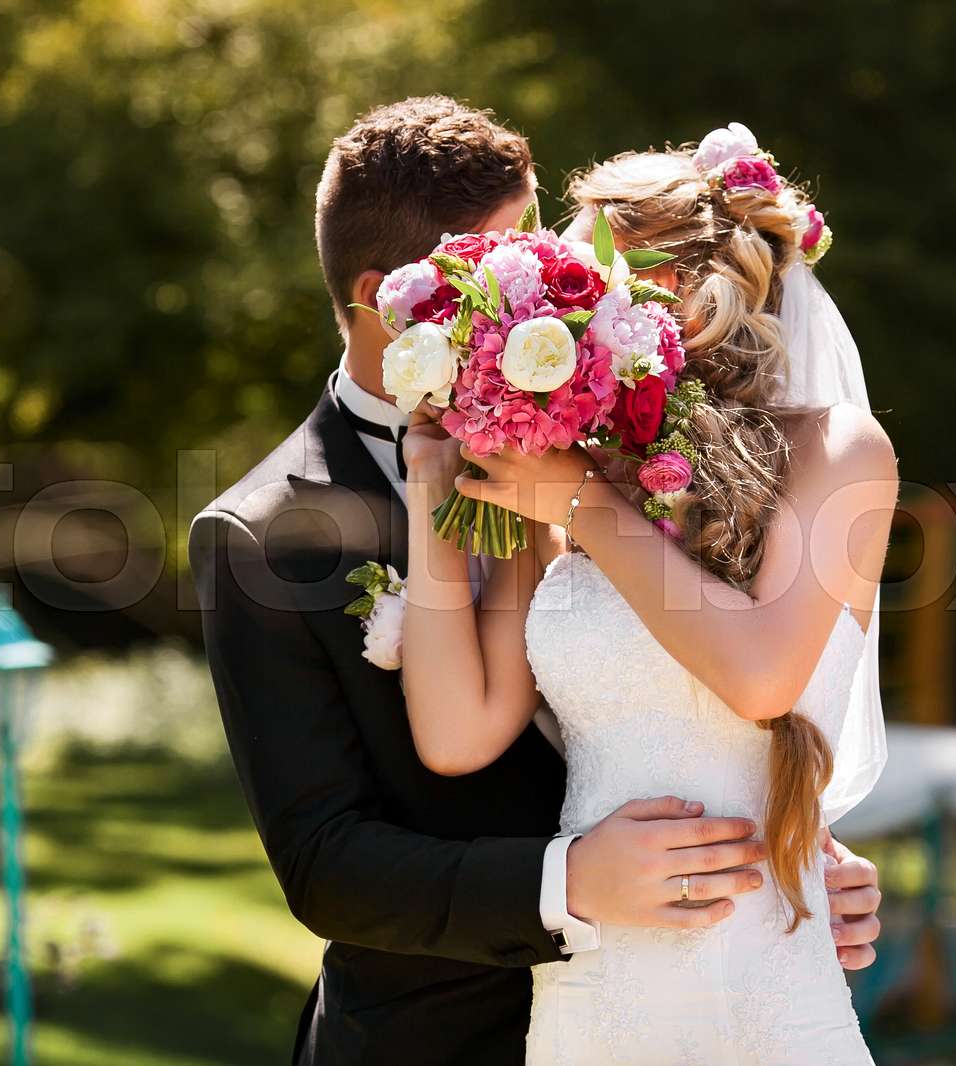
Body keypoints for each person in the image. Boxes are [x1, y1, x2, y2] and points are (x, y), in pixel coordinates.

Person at [189, 100, 883, 1066]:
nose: (552, 298)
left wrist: (794, 842)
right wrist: (569, 883)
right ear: (388, 294)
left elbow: (734, 690)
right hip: (456, 1033)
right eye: (522, 271)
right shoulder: (261, 535)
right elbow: (333, 861)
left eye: (561, 271)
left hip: (733, 974)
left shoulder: (615, 464)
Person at [398, 132, 896, 1064]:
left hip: (764, 991)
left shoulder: (841, 451)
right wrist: (437, 489)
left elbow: (760, 679)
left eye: (583, 279)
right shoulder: (570, 476)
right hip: (597, 996)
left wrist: (580, 506)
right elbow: (459, 732)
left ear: (674, 298)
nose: (555, 304)